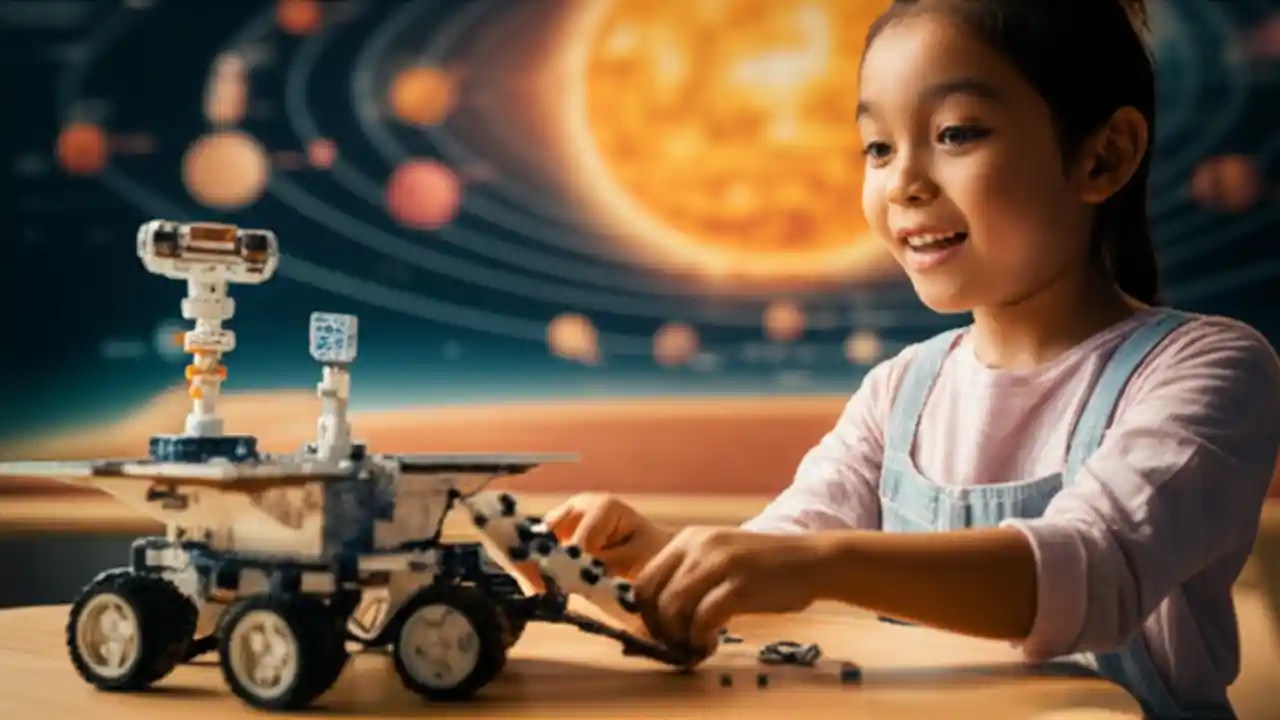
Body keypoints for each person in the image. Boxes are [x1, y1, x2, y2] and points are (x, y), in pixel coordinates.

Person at [517, 0, 1280, 717]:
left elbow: (1094, 572)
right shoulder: (900, 390)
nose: (903, 184)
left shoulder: (1208, 367)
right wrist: (656, 558)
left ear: (1102, 157)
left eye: (955, 134)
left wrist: (817, 564)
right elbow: (782, 548)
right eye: (878, 147)